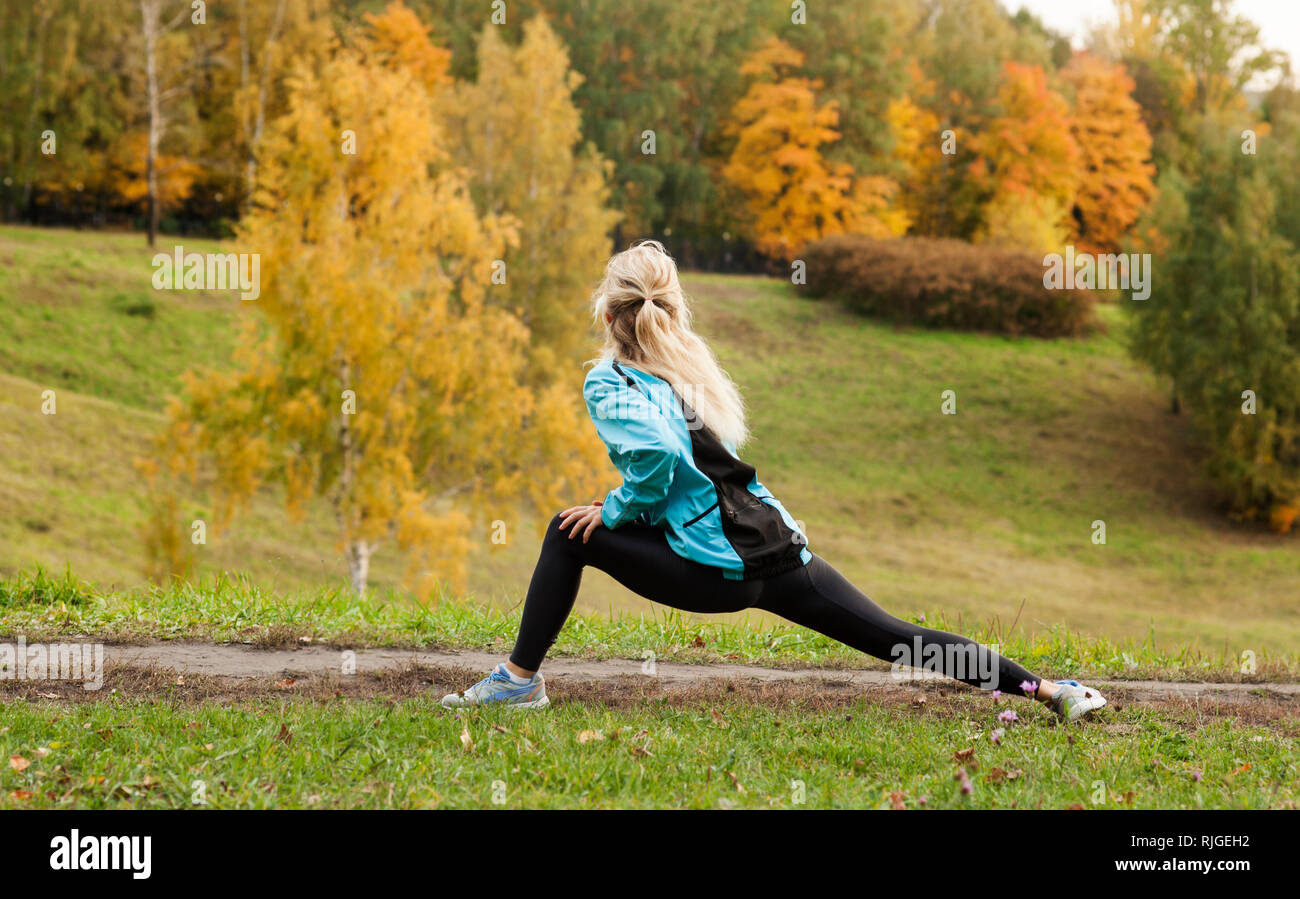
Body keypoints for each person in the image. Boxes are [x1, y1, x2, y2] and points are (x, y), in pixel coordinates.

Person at [442, 240, 1107, 722]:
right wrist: (634, 509)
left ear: (608, 315)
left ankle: (519, 681)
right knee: (897, 635)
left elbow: (660, 458)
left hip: (711, 571)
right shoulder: (689, 366)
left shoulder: (610, 378)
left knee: (568, 531)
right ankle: (1053, 691)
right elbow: (698, 470)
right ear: (671, 310)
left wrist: (615, 510)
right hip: (781, 551)